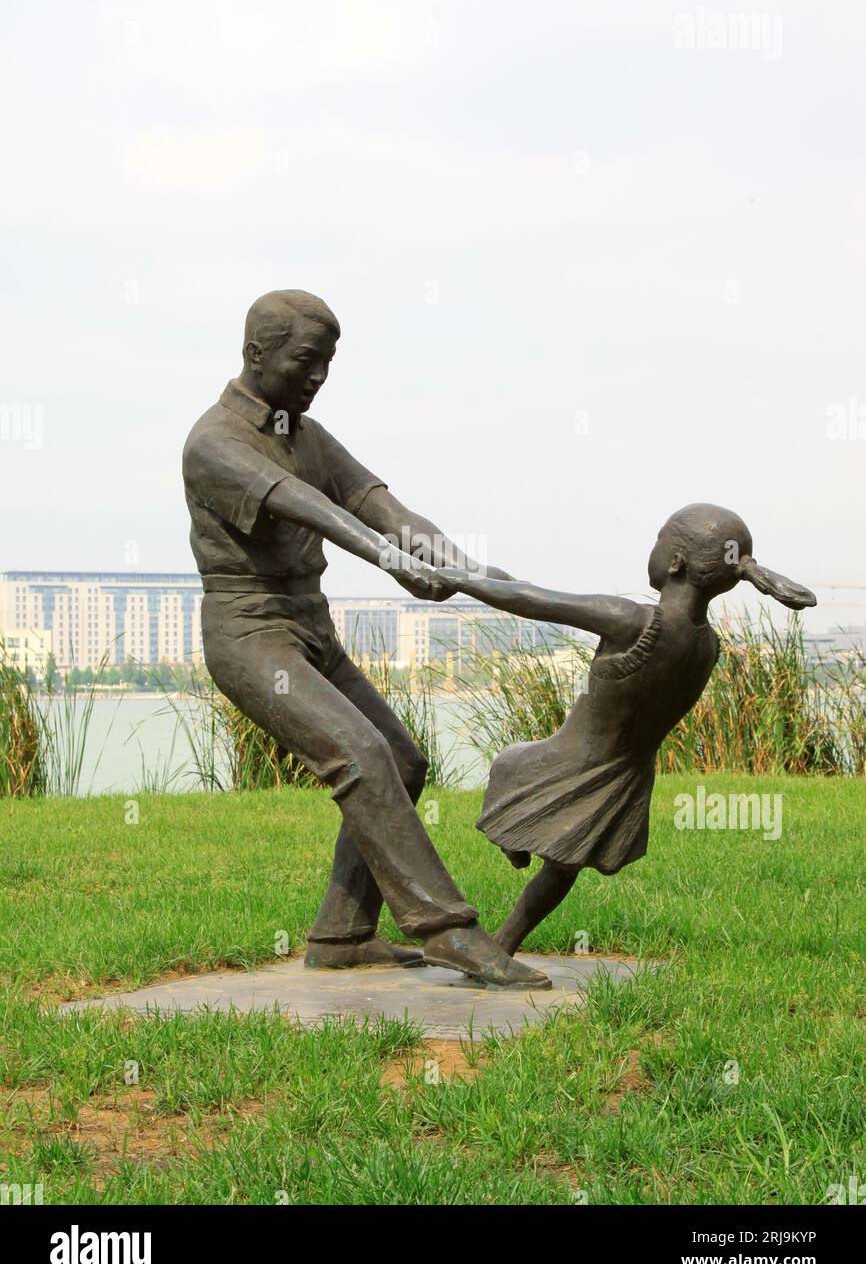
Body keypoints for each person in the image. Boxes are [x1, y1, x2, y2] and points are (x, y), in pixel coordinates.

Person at [182, 289, 550, 989]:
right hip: (250, 634)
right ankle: (446, 929)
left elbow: (378, 506)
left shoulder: (307, 436)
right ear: (258, 352)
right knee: (358, 753)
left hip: (311, 628)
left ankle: (343, 935)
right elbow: (310, 507)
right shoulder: (215, 443)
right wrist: (394, 564)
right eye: (305, 360)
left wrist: (464, 568)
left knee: (403, 761)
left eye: (327, 363)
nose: (319, 376)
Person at [437, 503, 816, 954]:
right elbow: (523, 589)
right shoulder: (706, 645)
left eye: (658, 540)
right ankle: (505, 943)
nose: (652, 550)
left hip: (569, 758)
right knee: (561, 867)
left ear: (675, 561)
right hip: (629, 777)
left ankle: (514, 845)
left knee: (507, 764)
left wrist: (457, 582)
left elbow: (533, 600)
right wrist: (475, 571)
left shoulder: (631, 619)